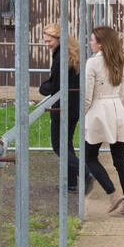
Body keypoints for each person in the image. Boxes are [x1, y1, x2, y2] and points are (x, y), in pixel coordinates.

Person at [82, 25, 124, 215]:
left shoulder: (92, 63)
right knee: (120, 159)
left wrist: (83, 115)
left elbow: (88, 97)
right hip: (116, 109)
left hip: (98, 110)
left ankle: (112, 193)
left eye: (93, 40)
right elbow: (121, 92)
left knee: (89, 157)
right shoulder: (121, 61)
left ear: (102, 44)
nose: (90, 43)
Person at [38, 23, 90, 193]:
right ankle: (71, 182)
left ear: (58, 39)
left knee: (59, 145)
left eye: (49, 41)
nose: (47, 45)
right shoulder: (71, 53)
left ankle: (87, 172)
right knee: (66, 144)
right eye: (45, 42)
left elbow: (57, 85)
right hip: (73, 106)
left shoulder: (61, 57)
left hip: (63, 107)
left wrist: (42, 88)